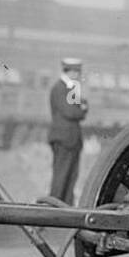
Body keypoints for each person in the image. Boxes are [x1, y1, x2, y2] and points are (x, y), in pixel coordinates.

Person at [48, 57, 88, 204]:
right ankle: (54, 205)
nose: (78, 75)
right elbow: (71, 112)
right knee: (62, 175)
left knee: (70, 176)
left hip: (70, 139)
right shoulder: (60, 88)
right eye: (77, 72)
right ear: (70, 71)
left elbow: (78, 106)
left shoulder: (70, 88)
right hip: (64, 138)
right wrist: (82, 109)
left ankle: (64, 206)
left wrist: (81, 107)